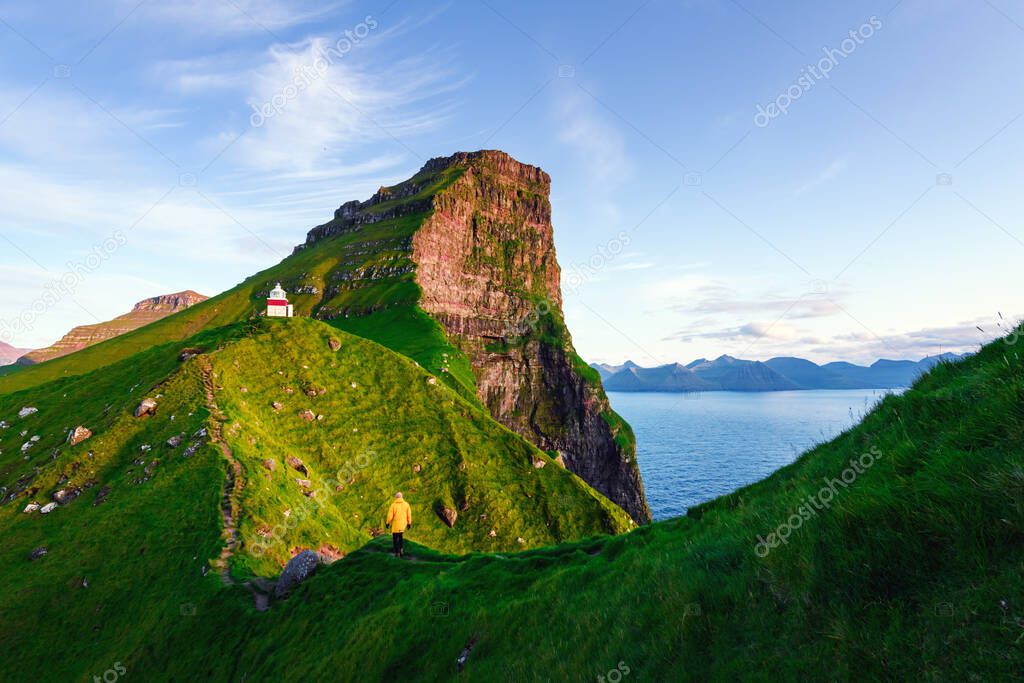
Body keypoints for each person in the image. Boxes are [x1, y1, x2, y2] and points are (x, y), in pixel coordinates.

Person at [386, 492, 412, 558]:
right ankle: (401, 550)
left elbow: (390, 516)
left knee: (395, 539)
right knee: (400, 537)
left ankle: (397, 553)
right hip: (402, 525)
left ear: (396, 497)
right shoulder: (406, 505)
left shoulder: (393, 505)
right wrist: (409, 523)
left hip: (396, 525)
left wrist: (387, 523)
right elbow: (409, 515)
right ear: (402, 497)